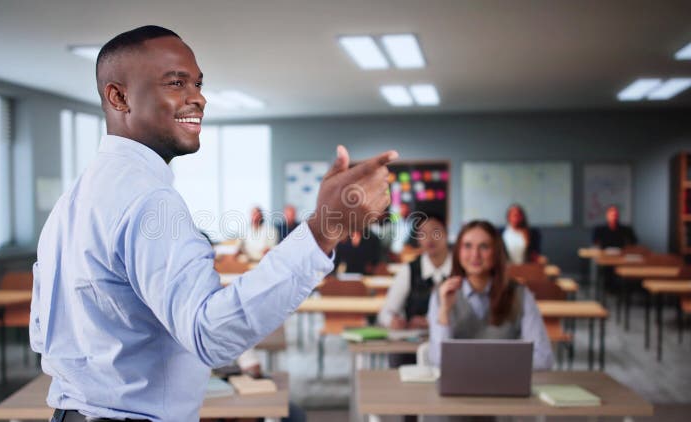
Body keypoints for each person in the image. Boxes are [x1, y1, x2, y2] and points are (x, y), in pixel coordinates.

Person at [29, 25, 398, 422]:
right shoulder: (149, 200)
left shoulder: (76, 198)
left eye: (198, 83)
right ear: (118, 96)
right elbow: (210, 334)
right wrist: (324, 230)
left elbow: (47, 334)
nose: (198, 98)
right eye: (176, 82)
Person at [427, 220, 554, 370]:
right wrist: (444, 311)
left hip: (506, 386)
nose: (475, 255)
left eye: (484, 247)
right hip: (459, 387)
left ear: (496, 252)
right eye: (467, 246)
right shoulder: (441, 293)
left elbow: (544, 358)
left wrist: (482, 366)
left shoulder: (519, 294)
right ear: (458, 252)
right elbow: (438, 360)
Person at [378, 213, 451, 368]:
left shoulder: (460, 269)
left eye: (435, 232)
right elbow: (386, 312)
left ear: (446, 234)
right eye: (423, 234)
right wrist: (392, 321)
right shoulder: (409, 270)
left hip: (451, 345)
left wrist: (431, 322)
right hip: (413, 347)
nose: (430, 238)